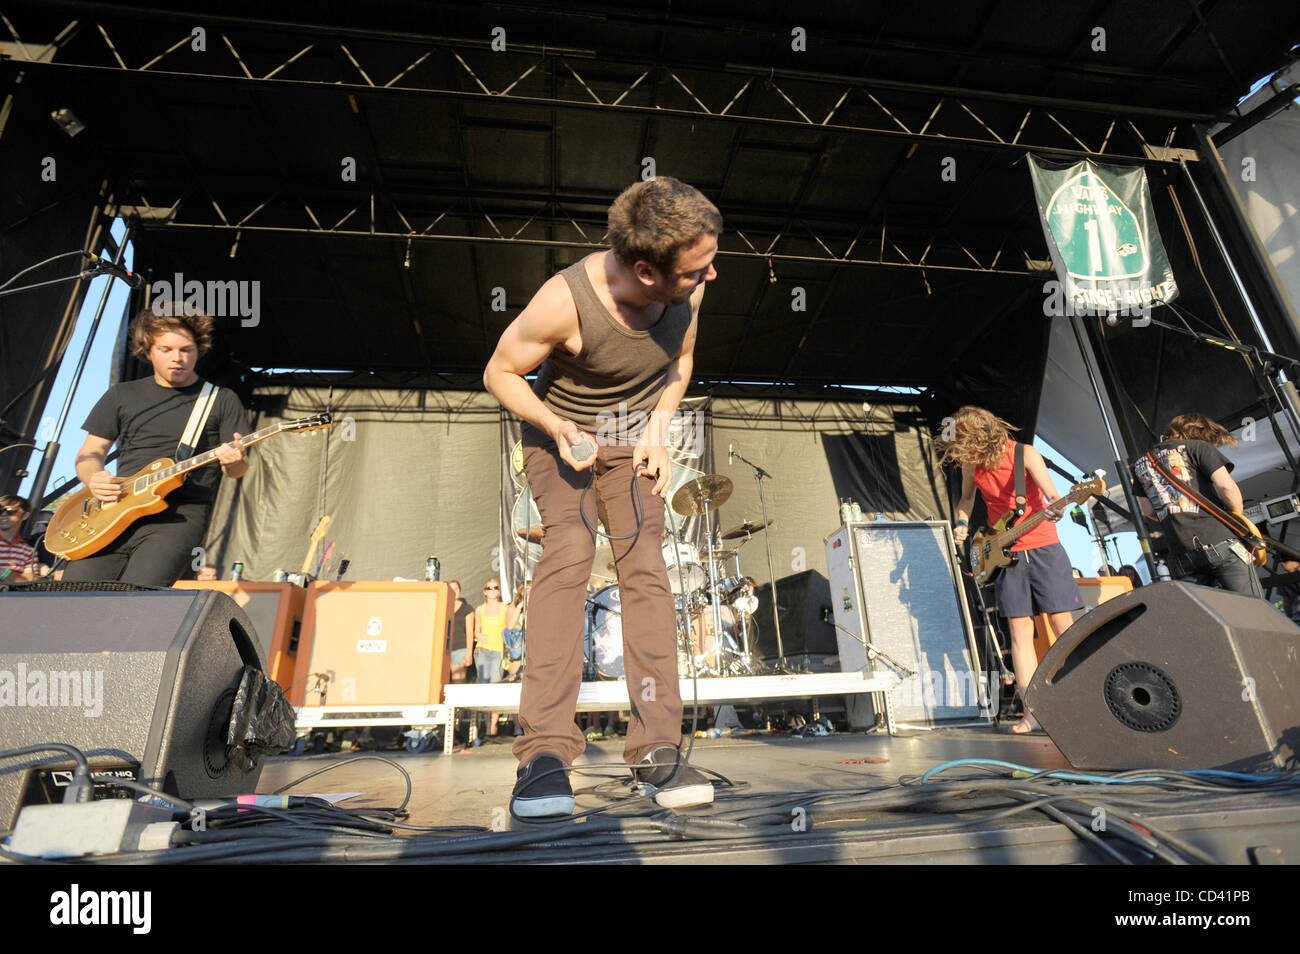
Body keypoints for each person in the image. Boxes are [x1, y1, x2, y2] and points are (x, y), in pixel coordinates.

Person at [483, 175, 719, 816]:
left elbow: (680, 366)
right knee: (568, 554)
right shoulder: (563, 303)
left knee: (646, 570)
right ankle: (544, 756)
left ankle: (656, 751)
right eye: (698, 269)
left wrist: (660, 433)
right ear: (646, 270)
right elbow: (498, 371)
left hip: (632, 444)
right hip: (562, 440)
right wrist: (558, 426)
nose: (713, 276)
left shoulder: (687, 297)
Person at [62, 302, 250, 587]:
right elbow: (90, 454)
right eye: (166, 350)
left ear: (199, 350)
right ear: (147, 350)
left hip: (177, 517)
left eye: (186, 350)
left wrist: (234, 461)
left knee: (137, 599)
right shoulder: (121, 395)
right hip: (114, 511)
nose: (178, 358)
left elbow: (238, 471)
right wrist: (95, 477)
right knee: (74, 593)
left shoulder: (221, 399)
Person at [939, 406, 1083, 735]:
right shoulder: (970, 465)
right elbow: (966, 501)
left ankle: (1080, 700)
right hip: (1006, 555)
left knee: (1064, 629)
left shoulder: (1025, 454)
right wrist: (962, 523)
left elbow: (1054, 498)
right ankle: (1032, 713)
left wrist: (1056, 509)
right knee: (1020, 637)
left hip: (1044, 548)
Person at [1131, 413, 1263, 598]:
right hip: (1219, 539)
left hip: (1181, 555)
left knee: (1208, 616)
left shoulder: (1140, 465)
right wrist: (1235, 516)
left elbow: (1148, 510)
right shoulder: (1198, 447)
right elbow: (1225, 486)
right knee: (1254, 607)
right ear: (1198, 432)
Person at [472, 577, 509, 738]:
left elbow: (509, 628)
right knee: (484, 688)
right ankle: (485, 724)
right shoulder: (479, 609)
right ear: (484, 591)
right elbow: (475, 630)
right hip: (482, 651)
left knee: (496, 687)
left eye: (495, 588)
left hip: (498, 651)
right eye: (489, 588)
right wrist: (478, 635)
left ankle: (493, 725)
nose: (492, 590)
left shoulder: (505, 608)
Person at [0, 495, 40, 582]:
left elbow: (31, 579)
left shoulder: (29, 551)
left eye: (11, 511)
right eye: (0, 511)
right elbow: (25, 579)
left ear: (25, 516)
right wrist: (14, 578)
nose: (3, 514)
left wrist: (4, 574)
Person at [447, 579, 476, 683]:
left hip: (460, 649)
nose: (453, 591)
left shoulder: (467, 609)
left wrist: (469, 653)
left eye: (456, 589)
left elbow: (469, 632)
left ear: (459, 591)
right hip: (444, 650)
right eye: (451, 589)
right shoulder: (443, 608)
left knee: (457, 681)